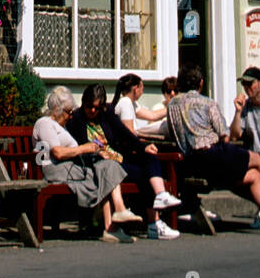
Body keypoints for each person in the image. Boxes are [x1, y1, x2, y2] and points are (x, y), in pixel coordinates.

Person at [167, 66, 260, 236]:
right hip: (212, 156)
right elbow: (227, 136)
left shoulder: (172, 105)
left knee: (254, 176)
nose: (246, 87)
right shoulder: (208, 104)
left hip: (190, 163)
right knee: (256, 160)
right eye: (244, 84)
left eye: (249, 83)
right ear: (200, 83)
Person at [67, 83, 182, 240]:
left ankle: (161, 194)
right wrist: (98, 156)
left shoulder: (106, 114)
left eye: (97, 108)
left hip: (118, 158)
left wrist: (143, 147)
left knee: (149, 156)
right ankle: (153, 224)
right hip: (100, 164)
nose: (93, 111)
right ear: (83, 103)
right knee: (143, 175)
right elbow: (77, 148)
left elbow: (124, 133)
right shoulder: (76, 120)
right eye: (89, 107)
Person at [32, 87, 143, 242]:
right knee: (104, 170)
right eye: (68, 112)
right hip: (57, 170)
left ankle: (116, 218)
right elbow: (57, 153)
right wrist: (84, 148)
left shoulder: (59, 126)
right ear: (58, 110)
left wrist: (94, 151)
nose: (71, 116)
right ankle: (113, 223)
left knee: (106, 166)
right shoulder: (44, 123)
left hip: (70, 168)